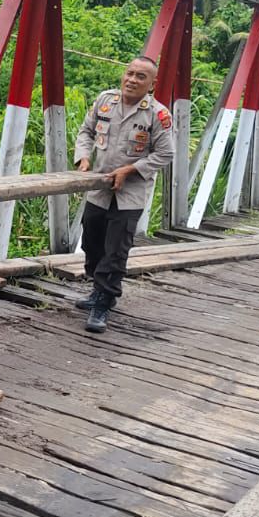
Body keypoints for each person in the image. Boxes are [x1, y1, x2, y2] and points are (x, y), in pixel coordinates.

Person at [72, 56, 175, 334]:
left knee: (116, 250)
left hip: (130, 193)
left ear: (152, 84)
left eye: (141, 77)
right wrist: (83, 157)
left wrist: (130, 170)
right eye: (130, 73)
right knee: (91, 241)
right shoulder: (105, 101)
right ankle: (98, 289)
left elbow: (166, 153)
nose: (132, 80)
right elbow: (86, 131)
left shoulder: (157, 115)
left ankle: (104, 301)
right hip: (99, 188)